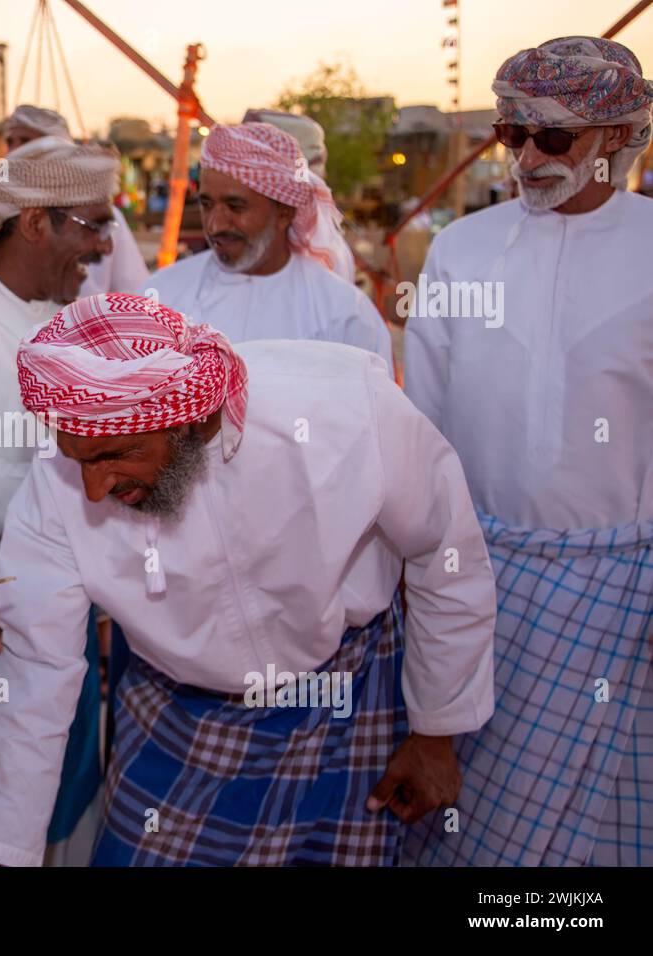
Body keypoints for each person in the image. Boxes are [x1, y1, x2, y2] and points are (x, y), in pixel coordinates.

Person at [0, 294, 498, 867]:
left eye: (114, 456)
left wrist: (436, 729)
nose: (93, 489)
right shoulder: (56, 486)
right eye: (78, 459)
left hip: (345, 699)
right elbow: (35, 672)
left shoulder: (342, 408)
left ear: (194, 421)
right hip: (179, 717)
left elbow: (443, 549)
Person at [403, 36, 653, 866]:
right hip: (478, 591)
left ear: (617, 137)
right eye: (514, 136)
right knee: (479, 833)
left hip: (627, 599)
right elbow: (423, 432)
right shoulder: (460, 250)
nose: (527, 159)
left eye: (554, 139)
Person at [0, 134, 122, 864]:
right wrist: (99, 492)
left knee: (62, 809)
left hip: (68, 611)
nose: (104, 246)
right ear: (37, 223)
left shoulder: (66, 315)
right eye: (93, 225)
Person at [144, 123, 390, 371]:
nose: (215, 224)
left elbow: (374, 405)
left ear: (283, 213)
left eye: (236, 207)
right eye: (207, 204)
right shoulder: (162, 296)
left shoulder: (345, 313)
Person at [3, 104, 149, 297]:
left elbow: (135, 295)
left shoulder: (106, 221)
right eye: (10, 142)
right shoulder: (1, 218)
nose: (14, 152)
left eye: (25, 141)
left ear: (60, 149)